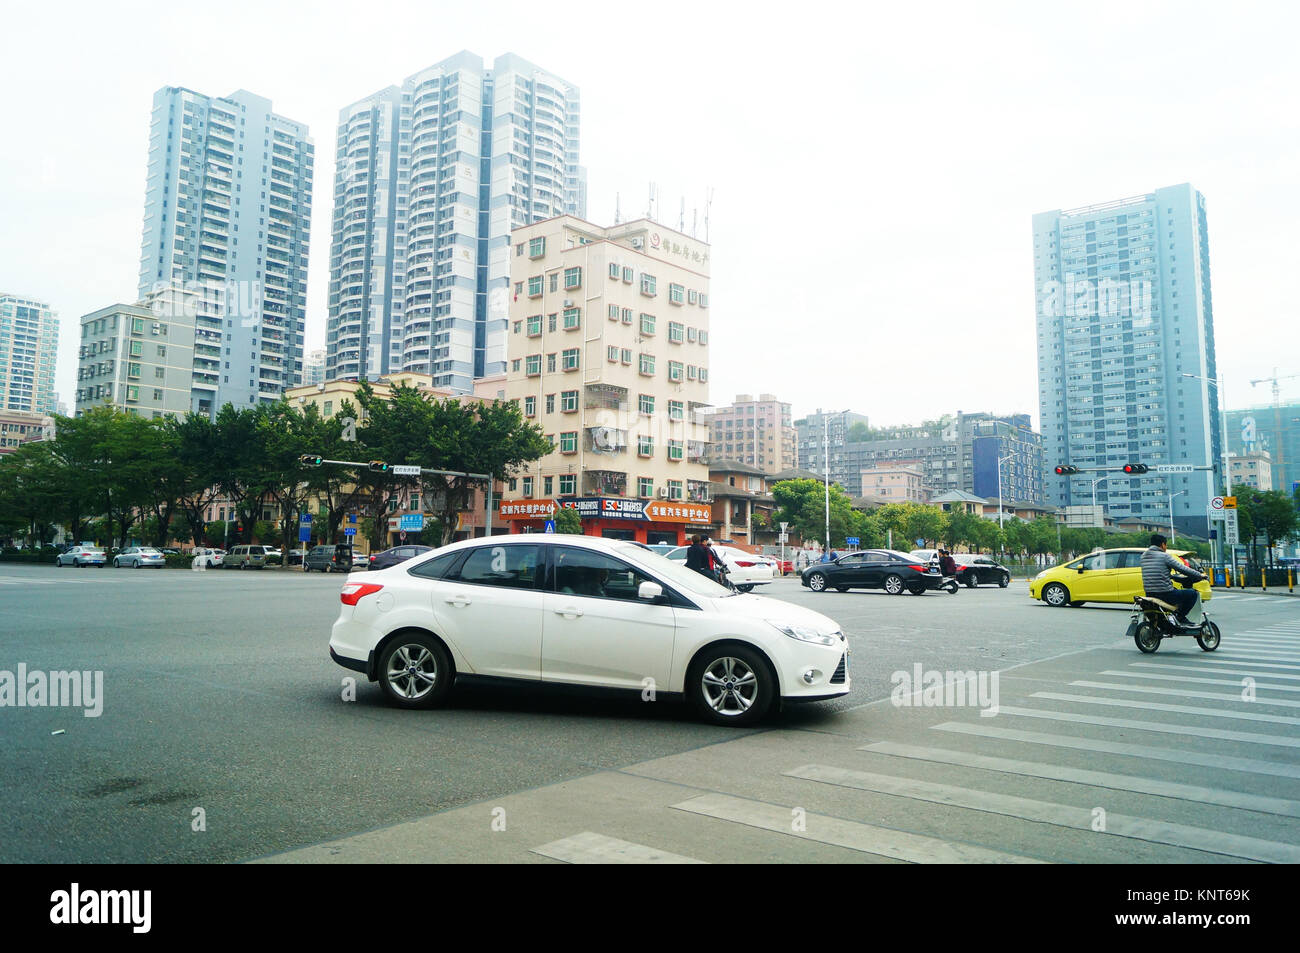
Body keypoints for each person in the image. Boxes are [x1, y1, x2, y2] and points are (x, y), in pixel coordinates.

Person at [1141, 533, 1206, 624]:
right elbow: (1182, 568)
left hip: (1149, 593)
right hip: (1165, 594)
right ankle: (1180, 617)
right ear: (1163, 544)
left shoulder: (1144, 556)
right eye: (1166, 545)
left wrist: (1169, 576)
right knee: (1192, 594)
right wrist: (1200, 575)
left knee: (1177, 592)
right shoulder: (1164, 556)